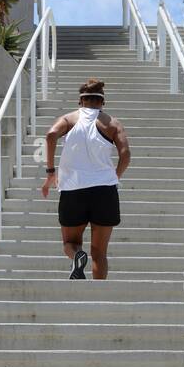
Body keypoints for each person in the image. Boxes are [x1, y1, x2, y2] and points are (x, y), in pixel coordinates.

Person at [41, 79, 131, 280]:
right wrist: (115, 175)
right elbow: (125, 154)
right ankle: (98, 297)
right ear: (102, 102)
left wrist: (50, 173)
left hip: (73, 190)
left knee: (70, 244)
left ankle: (76, 257)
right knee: (99, 254)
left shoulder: (69, 119)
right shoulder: (112, 123)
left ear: (80, 101)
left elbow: (50, 135)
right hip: (104, 191)